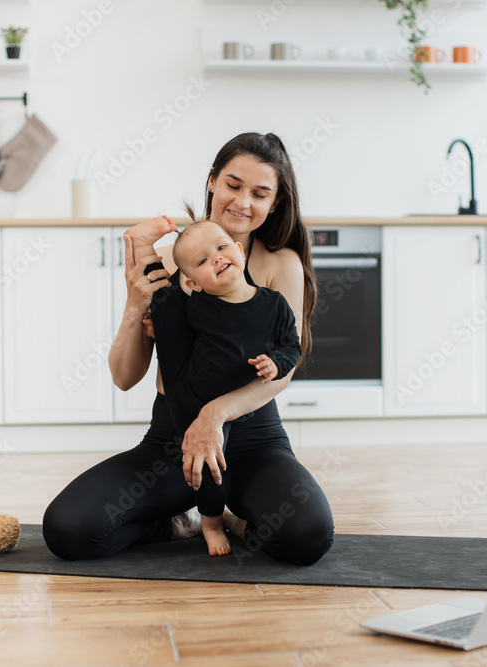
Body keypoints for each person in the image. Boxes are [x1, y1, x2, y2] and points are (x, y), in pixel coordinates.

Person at [42, 132, 334, 566]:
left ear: (274, 204)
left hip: (253, 442)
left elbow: (283, 373)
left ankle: (233, 513)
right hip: (172, 444)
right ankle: (184, 522)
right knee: (67, 530)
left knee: (308, 536)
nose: (243, 202)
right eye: (233, 185)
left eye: (260, 193)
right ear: (212, 181)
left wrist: (213, 415)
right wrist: (134, 302)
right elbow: (124, 378)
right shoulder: (167, 257)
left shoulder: (280, 265)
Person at [154, 219, 302, 555]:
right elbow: (177, 337)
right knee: (208, 471)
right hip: (194, 401)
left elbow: (292, 345)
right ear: (193, 282)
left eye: (221, 248)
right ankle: (210, 523)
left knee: (220, 468)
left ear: (239, 251)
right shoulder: (199, 307)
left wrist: (277, 362)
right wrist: (153, 324)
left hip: (242, 411)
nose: (217, 258)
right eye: (203, 261)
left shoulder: (273, 303)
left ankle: (232, 517)